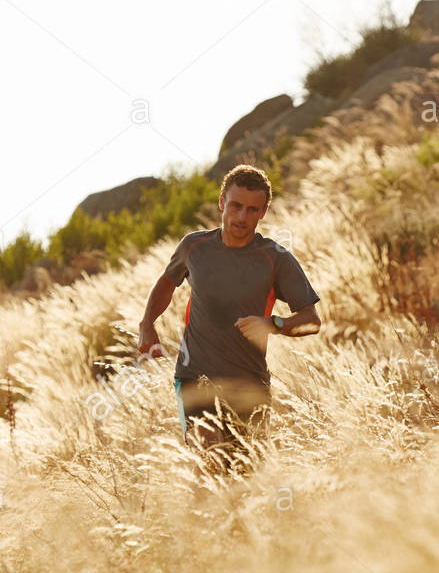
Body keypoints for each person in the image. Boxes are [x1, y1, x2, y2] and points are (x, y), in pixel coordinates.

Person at [137, 164, 321, 472]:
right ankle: (201, 519)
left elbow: (311, 320)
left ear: (263, 212)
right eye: (235, 206)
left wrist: (273, 325)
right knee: (209, 464)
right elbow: (168, 281)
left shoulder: (275, 259)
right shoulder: (194, 246)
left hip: (250, 385)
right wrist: (147, 324)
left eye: (252, 210)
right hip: (197, 377)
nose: (241, 217)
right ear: (222, 201)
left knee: (243, 482)